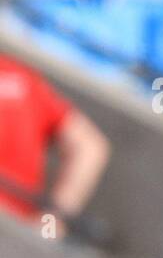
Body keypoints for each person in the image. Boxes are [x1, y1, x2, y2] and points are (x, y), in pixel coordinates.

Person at [0, 54, 111, 231]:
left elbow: (89, 146)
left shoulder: (20, 79)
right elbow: (89, 145)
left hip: (19, 235)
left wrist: (50, 224)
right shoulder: (20, 78)